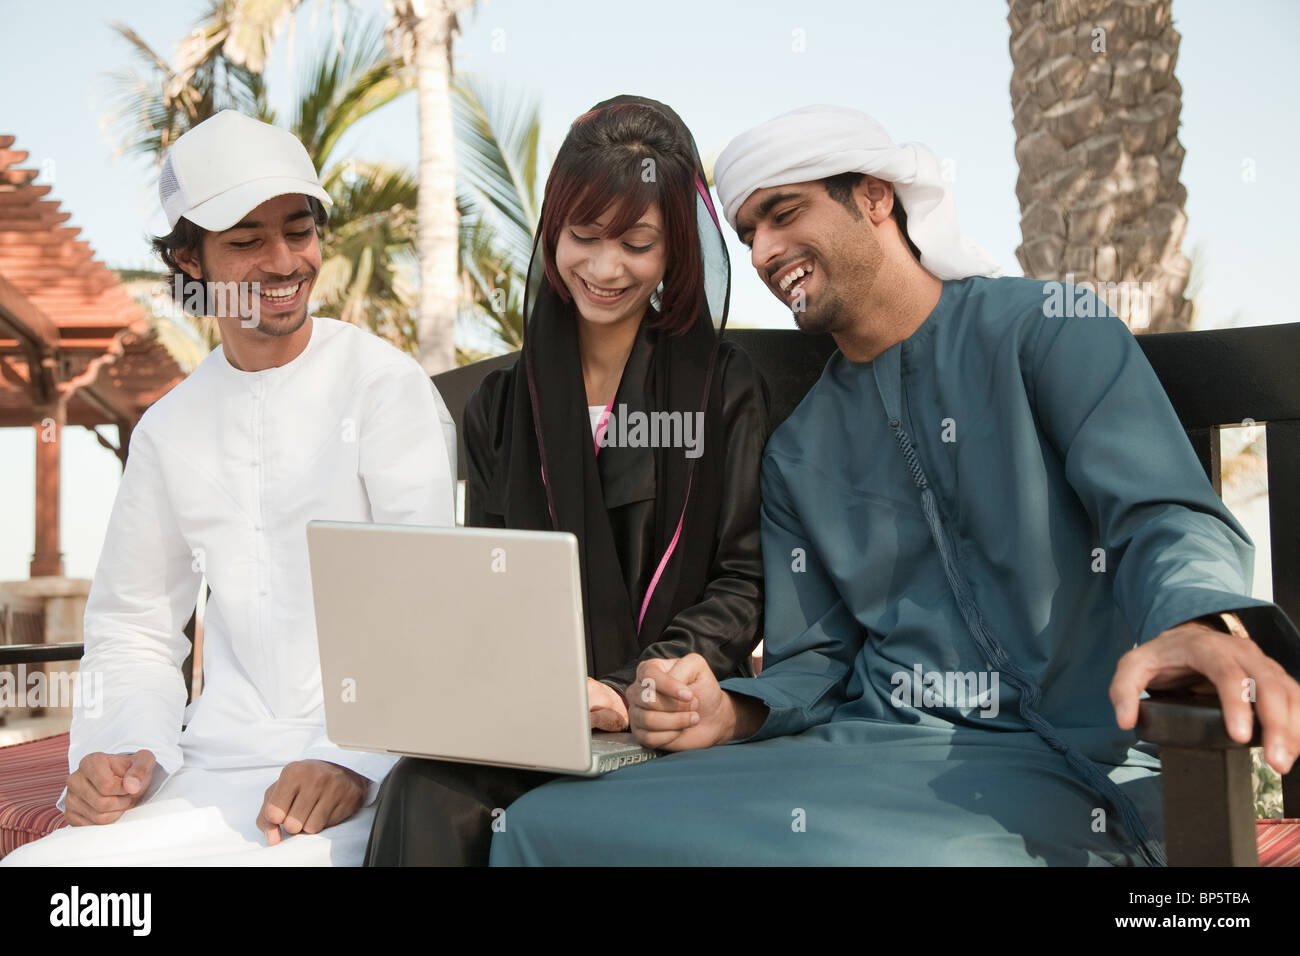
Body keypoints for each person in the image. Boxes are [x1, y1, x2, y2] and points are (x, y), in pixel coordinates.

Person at [486, 105, 1300, 866]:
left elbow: (1160, 511)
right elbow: (817, 655)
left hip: (1088, 756)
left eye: (785, 212)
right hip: (866, 753)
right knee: (539, 826)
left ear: (874, 198)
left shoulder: (1047, 330)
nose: (765, 250)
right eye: (747, 230)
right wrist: (728, 710)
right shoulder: (800, 449)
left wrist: (1197, 618)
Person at [2, 110, 457, 867]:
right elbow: (136, 624)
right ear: (190, 263)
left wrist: (354, 757)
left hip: (370, 769)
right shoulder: (168, 429)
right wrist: (124, 752)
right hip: (208, 766)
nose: (283, 262)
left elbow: (430, 599)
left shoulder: (384, 388)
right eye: (246, 241)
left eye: (299, 230)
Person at [364, 95, 770, 866]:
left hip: (673, 711)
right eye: (582, 237)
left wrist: (628, 688)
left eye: (637, 244)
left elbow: (744, 580)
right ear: (552, 232)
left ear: (676, 249)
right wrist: (545, 691)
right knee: (421, 787)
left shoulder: (726, 387)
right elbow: (489, 579)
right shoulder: (502, 405)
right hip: (536, 714)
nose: (605, 268)